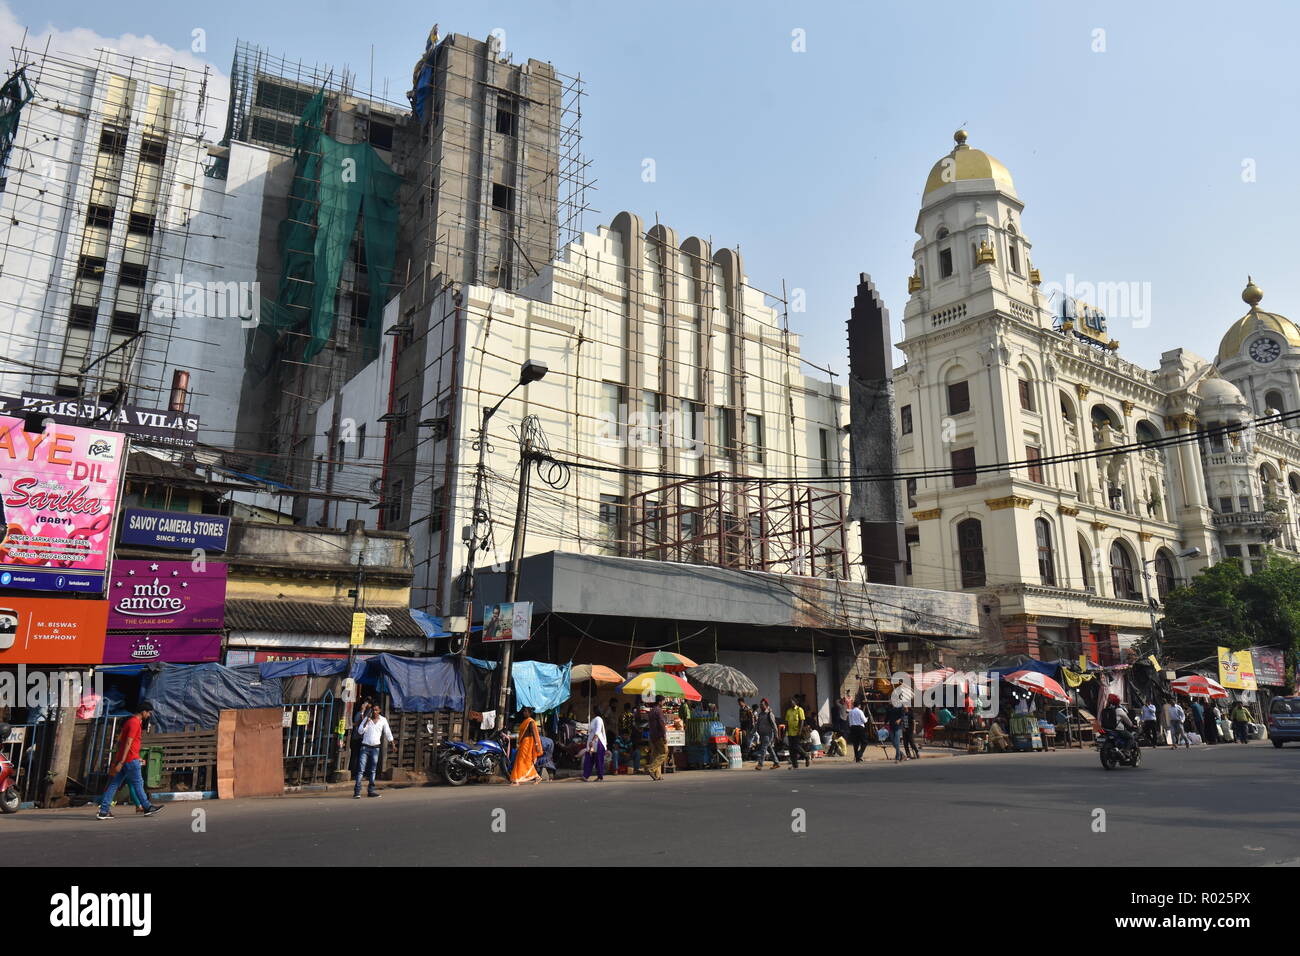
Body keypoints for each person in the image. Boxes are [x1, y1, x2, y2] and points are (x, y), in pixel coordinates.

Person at [97, 701, 164, 820]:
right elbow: (129, 742)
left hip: (126, 758)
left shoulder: (130, 721)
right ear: (143, 712)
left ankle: (104, 811)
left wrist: (120, 760)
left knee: (114, 785)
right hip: (129, 760)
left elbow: (122, 743)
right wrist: (123, 761)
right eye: (148, 713)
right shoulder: (134, 723)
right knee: (138, 783)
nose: (148, 715)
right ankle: (147, 807)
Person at [354, 703, 394, 798]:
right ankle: (357, 792)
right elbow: (360, 731)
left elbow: (388, 732)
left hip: (375, 748)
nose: (374, 712)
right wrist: (366, 722)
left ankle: (371, 791)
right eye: (373, 710)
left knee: (373, 771)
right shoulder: (367, 719)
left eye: (376, 710)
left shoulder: (383, 720)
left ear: (379, 711)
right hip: (365, 747)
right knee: (361, 770)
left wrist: (392, 743)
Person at [510, 707, 544, 785]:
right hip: (523, 743)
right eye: (524, 711)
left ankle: (517, 780)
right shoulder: (525, 721)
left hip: (528, 743)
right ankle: (536, 777)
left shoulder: (531, 722)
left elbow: (535, 734)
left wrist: (537, 745)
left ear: (529, 713)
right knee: (522, 760)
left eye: (525, 711)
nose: (524, 713)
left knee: (522, 760)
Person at [646, 695, 670, 780]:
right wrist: (664, 736)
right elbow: (661, 724)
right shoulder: (658, 711)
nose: (664, 703)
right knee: (664, 752)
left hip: (652, 735)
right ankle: (651, 768)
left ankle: (657, 775)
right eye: (663, 701)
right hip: (659, 735)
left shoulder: (652, 711)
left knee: (656, 755)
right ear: (660, 702)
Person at [752, 698, 780, 770]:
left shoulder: (770, 714)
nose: (761, 706)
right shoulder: (760, 714)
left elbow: (774, 725)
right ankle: (776, 762)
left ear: (766, 705)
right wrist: (752, 732)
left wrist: (776, 735)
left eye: (762, 705)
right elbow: (757, 725)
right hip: (762, 735)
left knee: (763, 749)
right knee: (769, 749)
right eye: (760, 705)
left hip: (768, 735)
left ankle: (760, 765)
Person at [583, 710, 607, 782]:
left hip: (598, 743)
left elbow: (597, 731)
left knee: (598, 760)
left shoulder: (598, 719)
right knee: (589, 758)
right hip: (593, 743)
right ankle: (585, 776)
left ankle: (600, 776)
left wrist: (592, 741)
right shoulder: (594, 720)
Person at [784, 696, 806, 770]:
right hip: (790, 733)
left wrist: (800, 731)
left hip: (797, 732)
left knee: (796, 747)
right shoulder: (788, 711)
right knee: (791, 749)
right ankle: (795, 765)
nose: (790, 703)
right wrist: (785, 732)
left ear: (795, 702)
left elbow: (802, 721)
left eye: (791, 702)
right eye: (789, 702)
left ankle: (806, 755)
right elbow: (786, 722)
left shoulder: (800, 710)